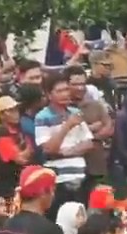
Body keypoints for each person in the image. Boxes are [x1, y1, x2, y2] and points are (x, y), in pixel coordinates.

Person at [34, 74, 94, 216]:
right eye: (59, 91)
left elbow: (88, 143)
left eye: (67, 89)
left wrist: (66, 152)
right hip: (58, 180)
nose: (65, 94)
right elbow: (49, 148)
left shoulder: (75, 112)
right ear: (49, 95)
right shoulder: (42, 117)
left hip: (80, 177)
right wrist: (67, 125)